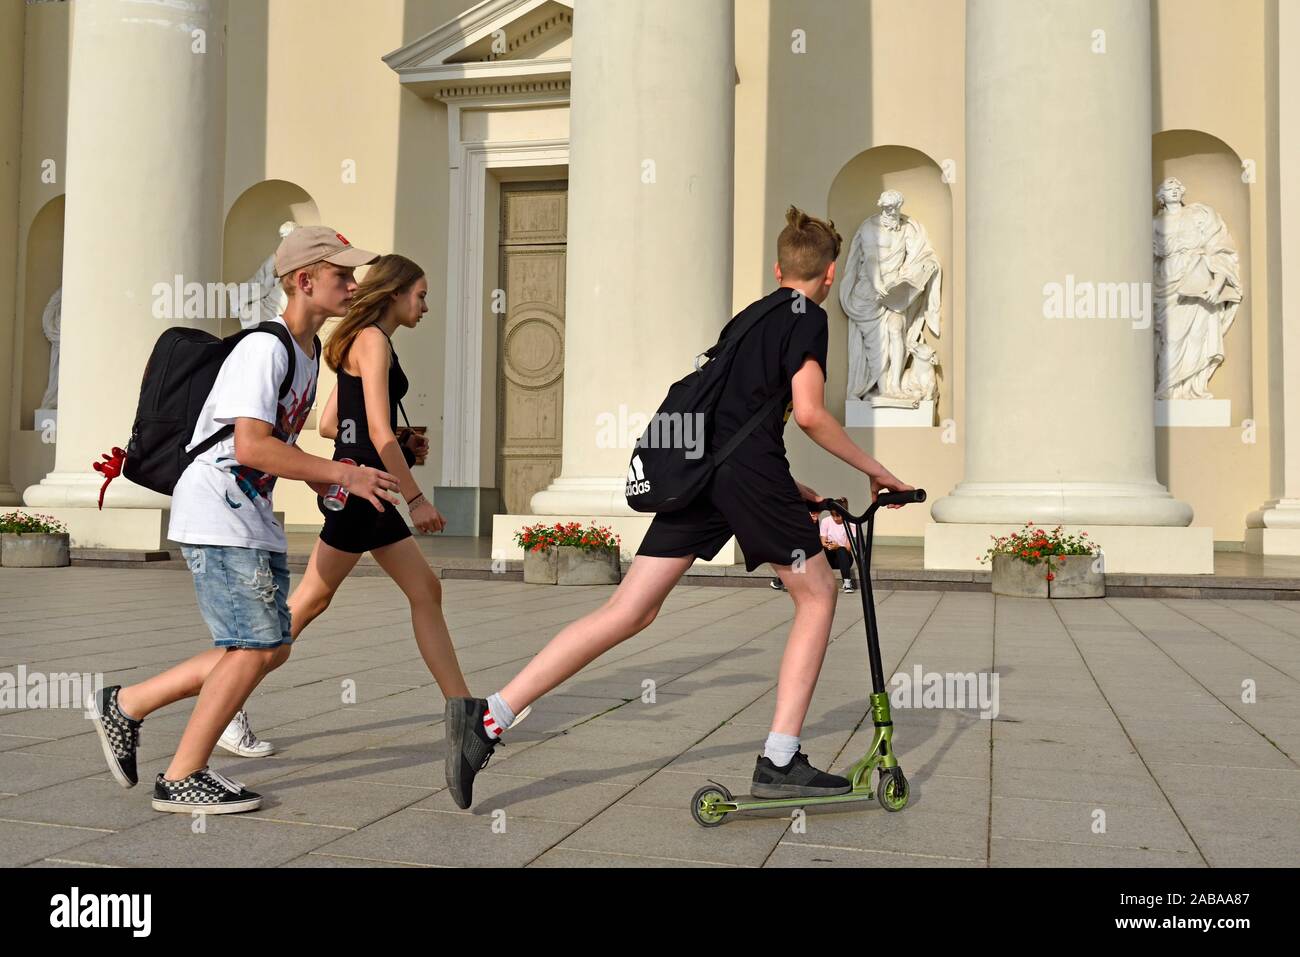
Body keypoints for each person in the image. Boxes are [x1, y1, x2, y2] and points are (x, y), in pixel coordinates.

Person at [443, 206, 913, 809]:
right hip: (742, 477)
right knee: (818, 594)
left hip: (700, 475)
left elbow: (733, 427)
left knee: (630, 608)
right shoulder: (807, 318)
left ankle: (491, 717)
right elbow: (810, 412)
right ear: (828, 273)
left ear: (778, 268)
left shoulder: (748, 318)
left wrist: (801, 496)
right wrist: (879, 474)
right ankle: (779, 759)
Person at [88, 226, 401, 813]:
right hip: (217, 512)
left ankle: (128, 704)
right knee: (253, 647)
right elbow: (251, 446)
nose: (354, 285)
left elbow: (275, 442)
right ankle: (183, 775)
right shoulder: (265, 348)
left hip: (247, 514)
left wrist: (319, 480)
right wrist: (344, 474)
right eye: (342, 275)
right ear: (304, 281)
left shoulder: (306, 356)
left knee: (267, 646)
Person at [229, 255, 474, 754]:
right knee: (307, 606)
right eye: (421, 295)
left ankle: (465, 711)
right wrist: (418, 499)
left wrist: (401, 443)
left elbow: (331, 426)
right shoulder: (373, 341)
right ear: (396, 293)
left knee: (407, 592)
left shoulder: (360, 341)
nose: (425, 306)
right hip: (364, 491)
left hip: (362, 489)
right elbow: (376, 433)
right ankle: (225, 695)